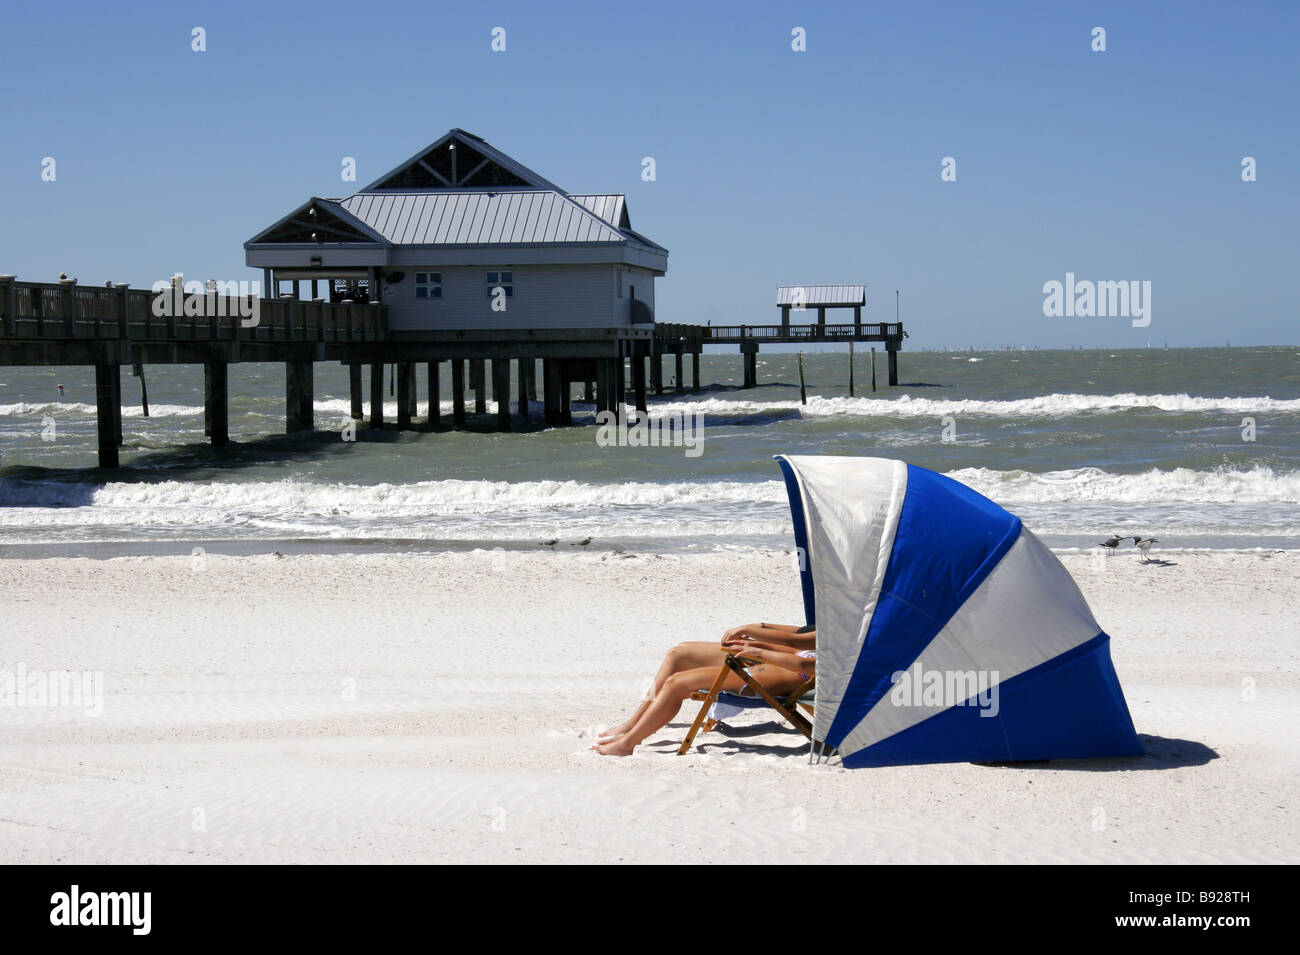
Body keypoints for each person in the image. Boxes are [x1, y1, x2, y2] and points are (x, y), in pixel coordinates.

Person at [592, 623, 814, 757]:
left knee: (677, 683)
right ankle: (633, 723)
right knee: (678, 654)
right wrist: (761, 646)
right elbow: (799, 641)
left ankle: (627, 744)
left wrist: (760, 652)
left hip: (781, 676)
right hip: (782, 661)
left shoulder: (848, 638)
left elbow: (805, 660)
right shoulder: (840, 621)